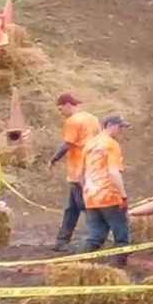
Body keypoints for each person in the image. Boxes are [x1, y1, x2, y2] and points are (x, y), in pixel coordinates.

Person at [49, 93, 101, 252]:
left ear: (67, 104)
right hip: (92, 168)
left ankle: (94, 239)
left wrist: (54, 158)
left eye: (60, 109)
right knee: (72, 209)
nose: (61, 113)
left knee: (86, 206)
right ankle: (62, 240)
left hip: (78, 171)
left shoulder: (72, 121)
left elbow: (67, 144)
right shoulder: (93, 119)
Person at [78, 115, 132, 267]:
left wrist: (86, 192)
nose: (121, 131)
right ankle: (118, 268)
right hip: (109, 195)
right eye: (120, 128)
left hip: (91, 196)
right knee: (121, 236)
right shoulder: (111, 145)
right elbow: (113, 172)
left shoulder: (89, 145)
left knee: (95, 236)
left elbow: (80, 175)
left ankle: (77, 263)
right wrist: (123, 196)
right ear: (111, 126)